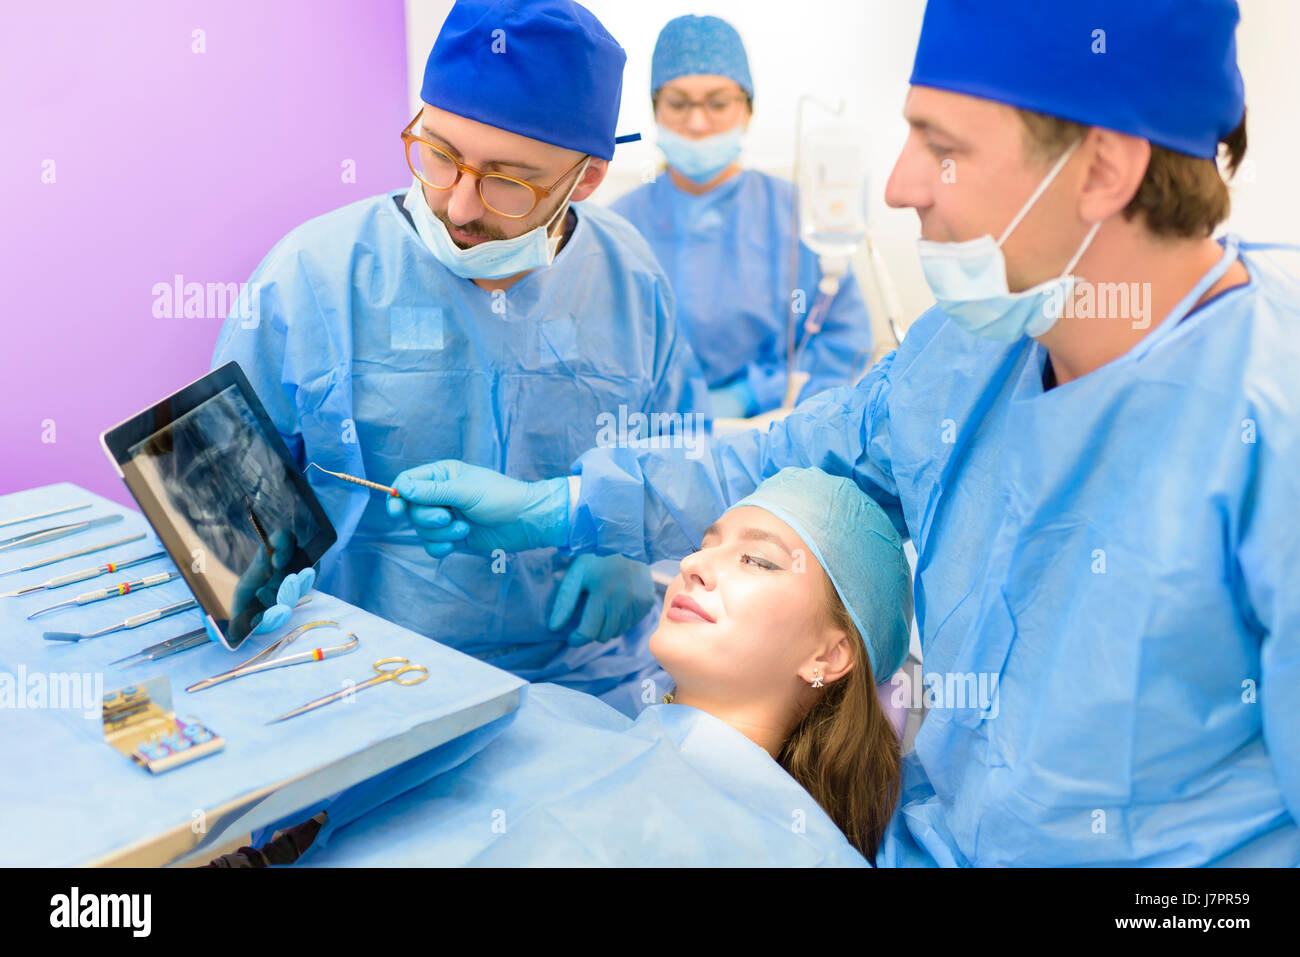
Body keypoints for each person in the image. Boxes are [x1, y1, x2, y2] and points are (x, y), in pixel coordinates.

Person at [380, 0, 1300, 866]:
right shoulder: (971, 352)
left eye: (940, 148)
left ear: (1102, 169)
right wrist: (569, 503)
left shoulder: (1269, 428)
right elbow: (780, 457)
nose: (900, 187)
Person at [210, 0, 712, 713]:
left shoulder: (630, 280)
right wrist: (239, 573)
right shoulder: (314, 276)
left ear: (587, 179)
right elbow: (223, 493)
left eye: (508, 180)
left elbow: (683, 459)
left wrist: (633, 549)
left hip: (587, 690)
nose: (461, 206)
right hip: (366, 681)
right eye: (439, 155)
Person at [250, 468, 912, 866]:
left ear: (830, 655)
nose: (694, 564)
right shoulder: (543, 714)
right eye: (705, 544)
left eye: (758, 560)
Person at [610, 15, 873, 418]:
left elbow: (845, 340)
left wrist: (753, 395)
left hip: (774, 432)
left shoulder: (798, 216)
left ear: (748, 110)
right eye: (678, 104)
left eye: (718, 103)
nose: (697, 122)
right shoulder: (617, 226)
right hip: (649, 431)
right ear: (656, 110)